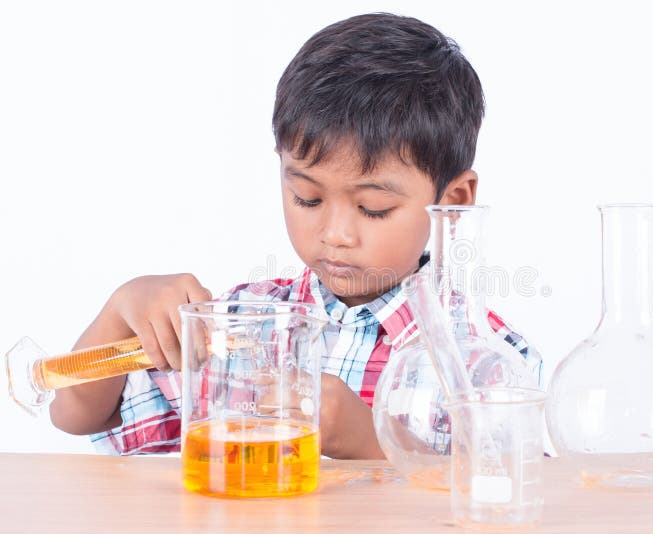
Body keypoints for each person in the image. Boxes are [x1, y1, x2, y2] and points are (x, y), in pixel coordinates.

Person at [49, 13, 539, 458]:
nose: (335, 234)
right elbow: (75, 415)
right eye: (307, 197)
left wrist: (373, 441)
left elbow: (504, 496)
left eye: (374, 208)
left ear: (451, 202)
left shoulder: (487, 358)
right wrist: (120, 310)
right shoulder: (238, 325)